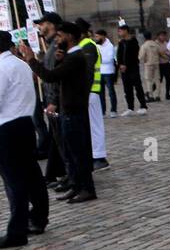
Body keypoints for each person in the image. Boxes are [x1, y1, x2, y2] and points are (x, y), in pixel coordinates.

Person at [0, 31, 49, 248]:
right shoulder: (20, 64)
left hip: (5, 129)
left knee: (14, 181)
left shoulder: (0, 68)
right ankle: (38, 218)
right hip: (23, 125)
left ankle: (17, 232)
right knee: (32, 175)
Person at [20, 20, 97, 204]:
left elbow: (50, 76)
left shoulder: (76, 57)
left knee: (78, 153)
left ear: (70, 37)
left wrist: (31, 59)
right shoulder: (69, 57)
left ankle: (87, 188)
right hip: (67, 110)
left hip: (74, 111)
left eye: (61, 36)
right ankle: (76, 186)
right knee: (69, 152)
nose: (58, 39)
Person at [33, 13, 68, 187]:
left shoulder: (57, 46)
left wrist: (53, 100)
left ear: (51, 25)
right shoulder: (49, 46)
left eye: (43, 23)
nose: (40, 26)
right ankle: (60, 173)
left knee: (63, 140)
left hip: (57, 102)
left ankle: (70, 176)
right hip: (50, 99)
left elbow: (55, 77)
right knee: (57, 139)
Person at [75, 20, 110, 171]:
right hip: (87, 92)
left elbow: (88, 71)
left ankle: (99, 157)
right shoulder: (83, 46)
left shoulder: (88, 45)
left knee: (95, 126)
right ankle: (94, 155)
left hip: (90, 91)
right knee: (89, 126)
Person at [116, 25, 148, 115]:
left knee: (138, 86)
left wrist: (126, 65)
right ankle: (130, 107)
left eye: (121, 31)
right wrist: (120, 65)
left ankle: (143, 106)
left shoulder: (133, 41)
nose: (119, 32)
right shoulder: (121, 42)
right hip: (123, 70)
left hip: (133, 68)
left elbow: (134, 55)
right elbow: (119, 55)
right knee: (127, 88)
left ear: (126, 31)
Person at [95, 28, 118, 118]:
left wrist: (99, 60)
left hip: (108, 72)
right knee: (100, 93)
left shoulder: (110, 46)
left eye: (97, 36)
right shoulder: (96, 46)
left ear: (103, 36)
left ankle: (113, 110)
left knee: (111, 92)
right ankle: (102, 111)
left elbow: (109, 59)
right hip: (99, 72)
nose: (96, 38)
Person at [138, 29, 161, 102]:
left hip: (148, 64)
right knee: (157, 80)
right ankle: (157, 95)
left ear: (144, 37)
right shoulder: (155, 44)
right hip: (156, 63)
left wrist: (144, 60)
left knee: (149, 80)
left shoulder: (144, 45)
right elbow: (160, 52)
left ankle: (150, 96)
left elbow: (141, 56)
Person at [156, 30, 170, 102]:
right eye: (161, 35)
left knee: (168, 80)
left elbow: (169, 52)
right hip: (159, 64)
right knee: (159, 80)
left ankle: (167, 94)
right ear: (158, 36)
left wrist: (167, 54)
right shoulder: (156, 44)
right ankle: (152, 93)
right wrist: (166, 54)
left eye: (164, 36)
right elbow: (159, 53)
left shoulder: (166, 43)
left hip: (166, 64)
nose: (163, 37)